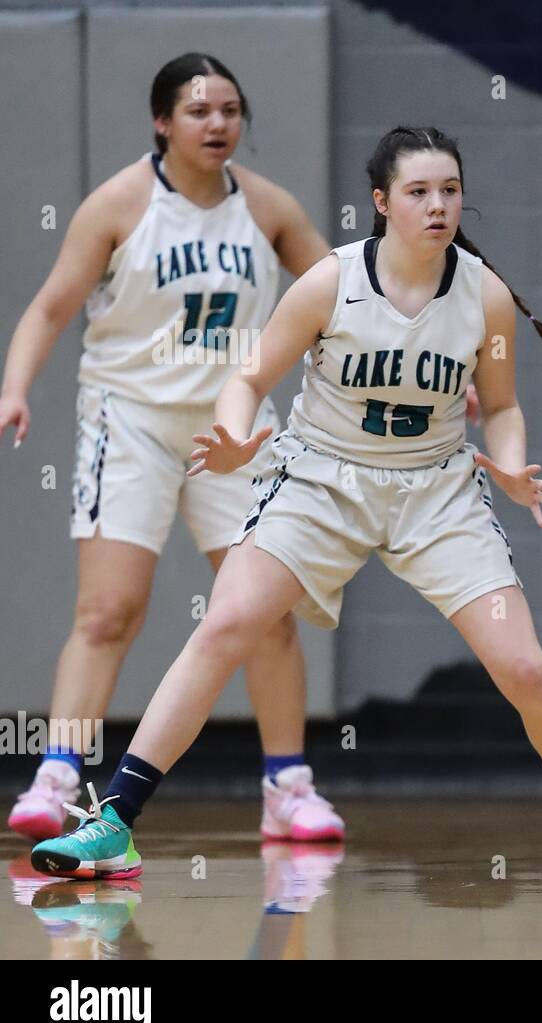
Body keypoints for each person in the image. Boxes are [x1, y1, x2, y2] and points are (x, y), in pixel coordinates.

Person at [29, 125, 542, 880]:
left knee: (522, 668)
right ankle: (115, 822)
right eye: (419, 192)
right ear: (381, 202)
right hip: (323, 479)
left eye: (450, 191)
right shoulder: (331, 281)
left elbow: (503, 406)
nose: (438, 205)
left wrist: (513, 467)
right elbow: (248, 379)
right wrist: (231, 437)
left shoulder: (485, 295)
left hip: (437, 492)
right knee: (224, 625)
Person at [1, 53, 344, 844]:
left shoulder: (268, 208)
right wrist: (15, 387)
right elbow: (50, 308)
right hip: (131, 420)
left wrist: (441, 369)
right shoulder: (119, 204)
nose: (219, 123)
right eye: (199, 111)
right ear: (163, 122)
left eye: (230, 110)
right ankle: (58, 774)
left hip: (234, 423)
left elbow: (345, 295)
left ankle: (287, 786)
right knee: (109, 609)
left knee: (266, 615)